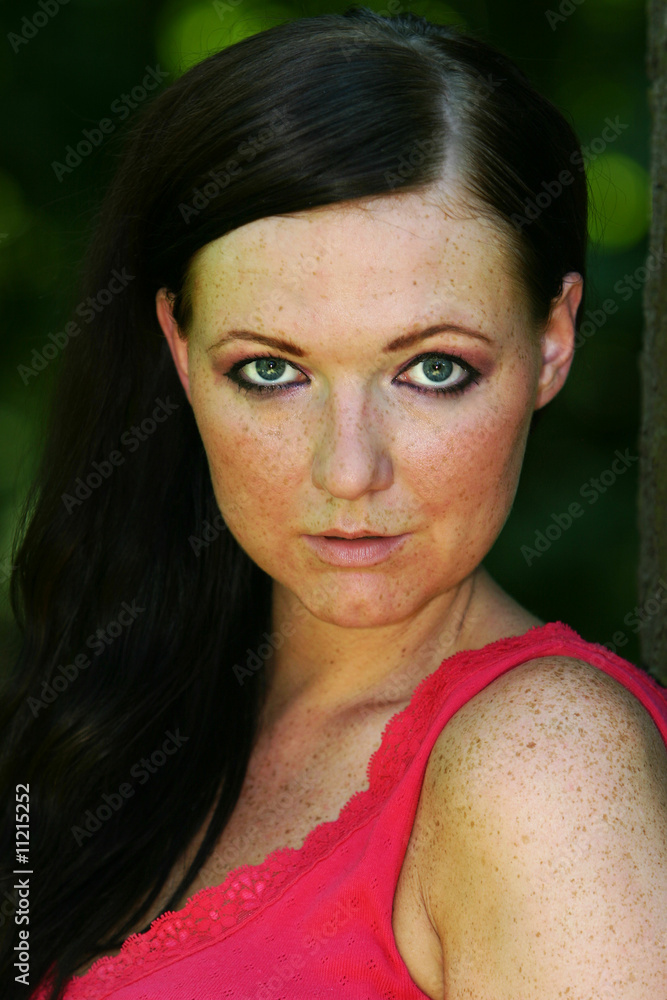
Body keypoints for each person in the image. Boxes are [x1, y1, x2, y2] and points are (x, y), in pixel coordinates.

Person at [1, 6, 665, 999]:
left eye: (432, 368)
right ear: (180, 348)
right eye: (271, 370)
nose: (349, 471)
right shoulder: (125, 717)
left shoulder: (549, 771)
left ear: (552, 341)